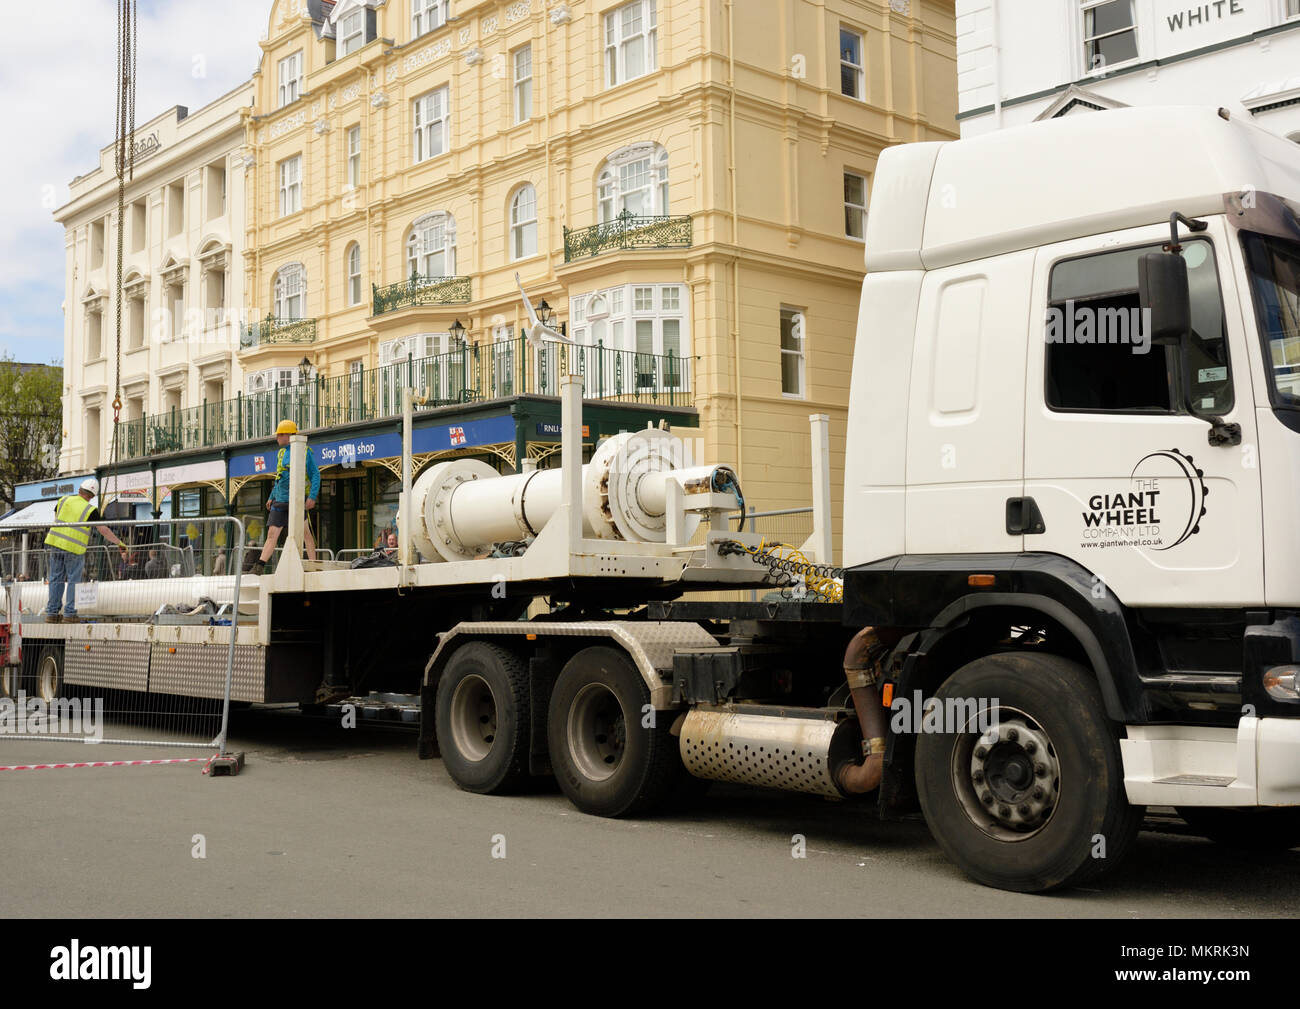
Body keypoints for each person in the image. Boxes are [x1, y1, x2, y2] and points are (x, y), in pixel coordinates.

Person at [43, 478, 128, 624]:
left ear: (79, 490)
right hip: (74, 549)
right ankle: (70, 614)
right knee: (73, 581)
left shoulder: (63, 500)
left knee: (55, 579)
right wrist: (120, 543)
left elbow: (57, 518)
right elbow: (103, 530)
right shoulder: (90, 510)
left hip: (55, 544)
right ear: (92, 496)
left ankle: (51, 613)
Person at [245, 419, 320, 575]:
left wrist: (312, 496)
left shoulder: (305, 452)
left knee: (306, 534)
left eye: (279, 435)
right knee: (272, 534)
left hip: (297, 500)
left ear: (287, 435)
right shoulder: (280, 453)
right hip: (280, 501)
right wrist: (271, 496)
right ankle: (259, 566)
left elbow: (315, 475)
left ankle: (313, 565)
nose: (276, 438)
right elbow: (279, 477)